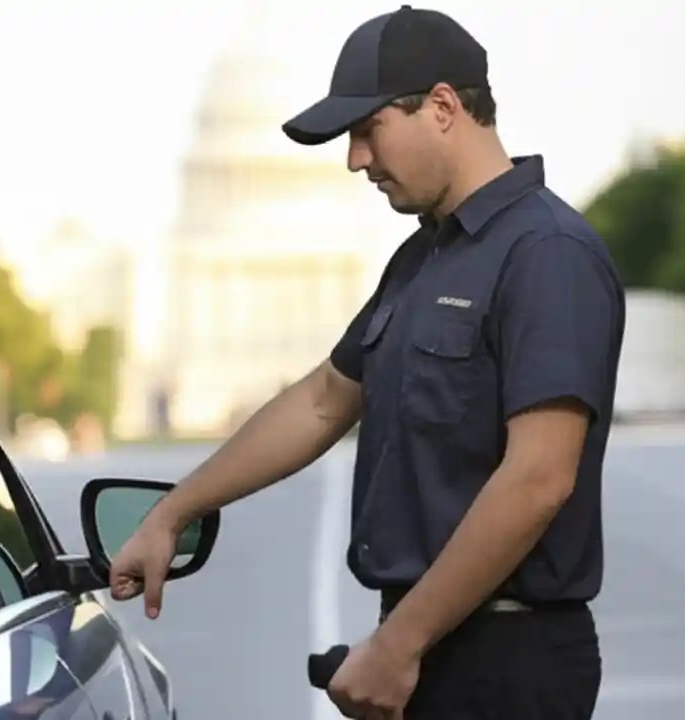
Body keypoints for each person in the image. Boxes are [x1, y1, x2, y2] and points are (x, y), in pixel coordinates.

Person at [107, 5, 625, 718]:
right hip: (430, 640)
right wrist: (175, 512)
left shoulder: (547, 254)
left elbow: (539, 477)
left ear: (442, 107)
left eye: (367, 129)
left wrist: (397, 646)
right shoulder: (423, 258)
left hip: (505, 659)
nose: (355, 160)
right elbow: (324, 399)